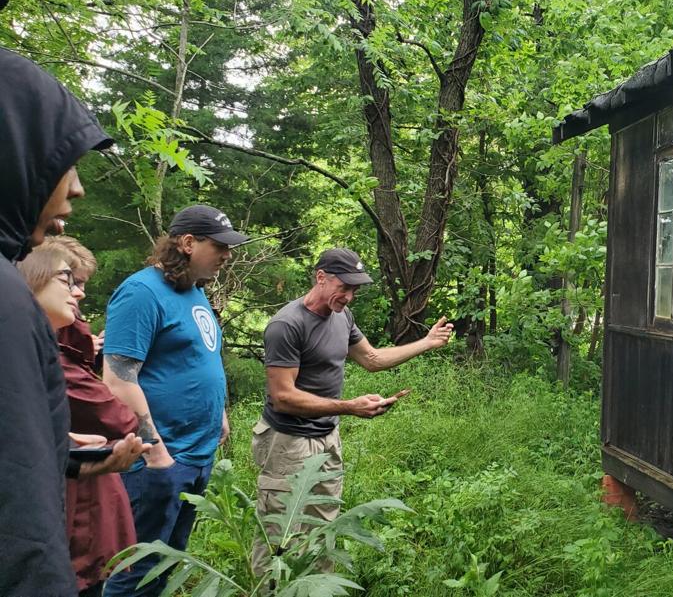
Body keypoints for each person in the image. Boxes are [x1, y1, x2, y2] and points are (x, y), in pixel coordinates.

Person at [0, 48, 149, 596]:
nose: (79, 187)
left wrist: (60, 456)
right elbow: (18, 522)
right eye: (64, 161)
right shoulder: (8, 298)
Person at [251, 247, 453, 571]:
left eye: (354, 290)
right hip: (287, 443)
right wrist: (348, 407)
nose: (349, 296)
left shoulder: (342, 317)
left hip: (328, 439)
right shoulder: (287, 325)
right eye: (344, 287)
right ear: (320, 278)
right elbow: (283, 397)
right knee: (280, 533)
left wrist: (427, 342)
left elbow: (371, 359)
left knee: (323, 530)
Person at [103, 204, 249, 597]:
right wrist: (155, 451)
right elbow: (118, 379)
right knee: (136, 570)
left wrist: (218, 412)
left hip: (197, 455)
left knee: (169, 562)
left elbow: (199, 357)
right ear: (187, 242)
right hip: (159, 461)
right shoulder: (141, 292)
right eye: (220, 246)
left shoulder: (194, 293)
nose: (227, 255)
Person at [39, 237, 140, 597]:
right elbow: (109, 414)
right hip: (69, 509)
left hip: (84, 498)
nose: (79, 294)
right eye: (69, 282)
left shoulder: (63, 344)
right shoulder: (48, 352)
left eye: (80, 283)